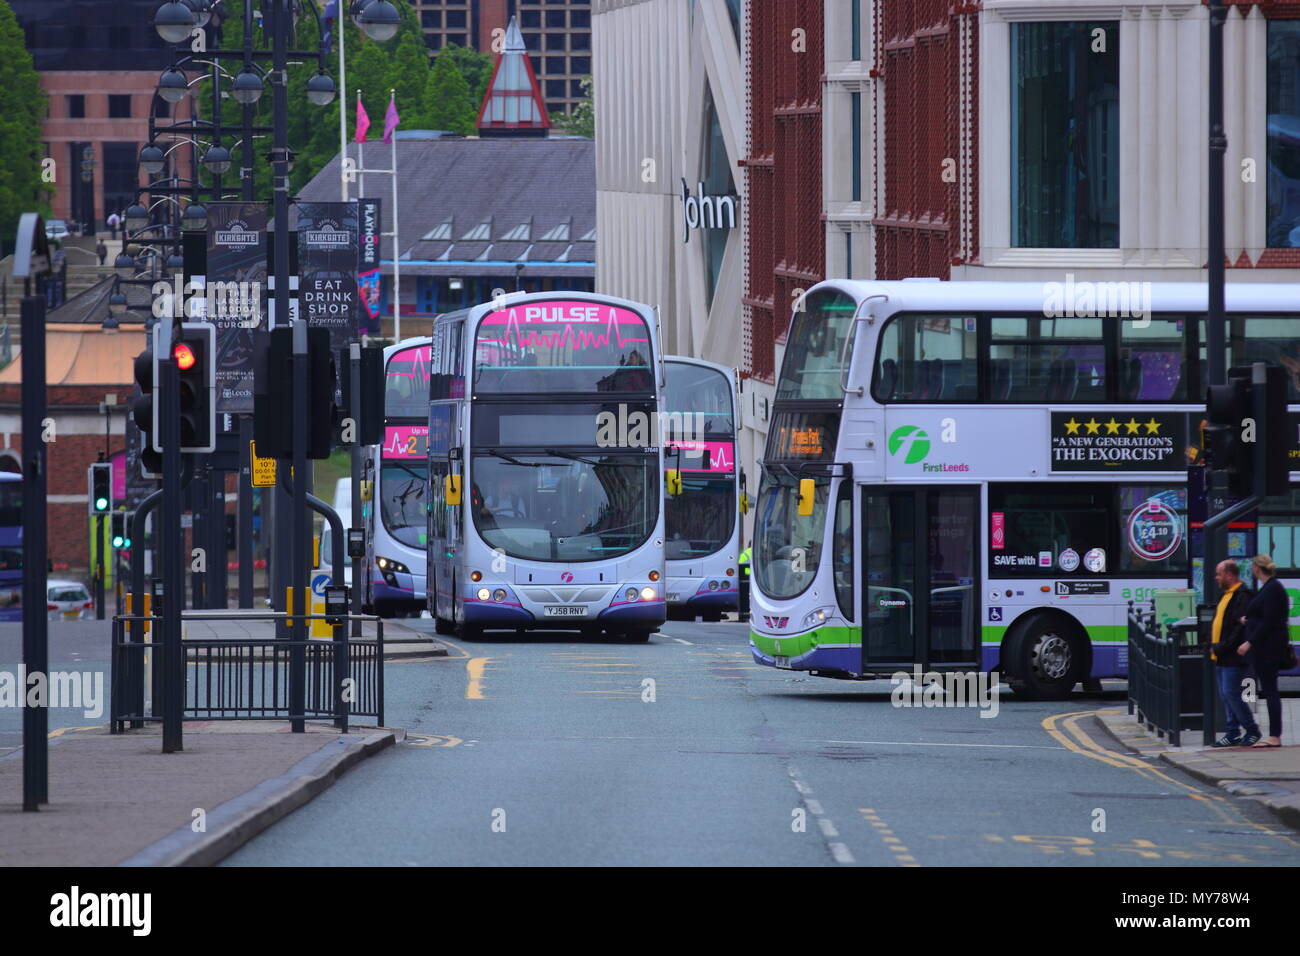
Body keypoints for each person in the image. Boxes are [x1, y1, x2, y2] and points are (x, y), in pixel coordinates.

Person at [1238, 554, 1288, 748]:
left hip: (1269, 649)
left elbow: (1269, 621)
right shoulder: (1269, 588)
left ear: (1257, 569)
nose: (1251, 570)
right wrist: (1248, 621)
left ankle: (1275, 735)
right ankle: (1273, 734)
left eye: (1252, 567)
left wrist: (1249, 642)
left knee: (1270, 691)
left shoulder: (1273, 588)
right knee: (1268, 690)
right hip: (1265, 648)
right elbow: (1264, 617)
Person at [1209, 560, 1259, 747]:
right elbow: (1218, 622)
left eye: (1219, 574)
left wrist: (1221, 646)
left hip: (1233, 655)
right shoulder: (1227, 595)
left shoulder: (1242, 596)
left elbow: (1237, 629)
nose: (1216, 578)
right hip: (1221, 654)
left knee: (1231, 693)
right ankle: (1232, 733)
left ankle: (1252, 730)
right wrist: (1211, 643)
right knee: (1225, 695)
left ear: (1229, 575)